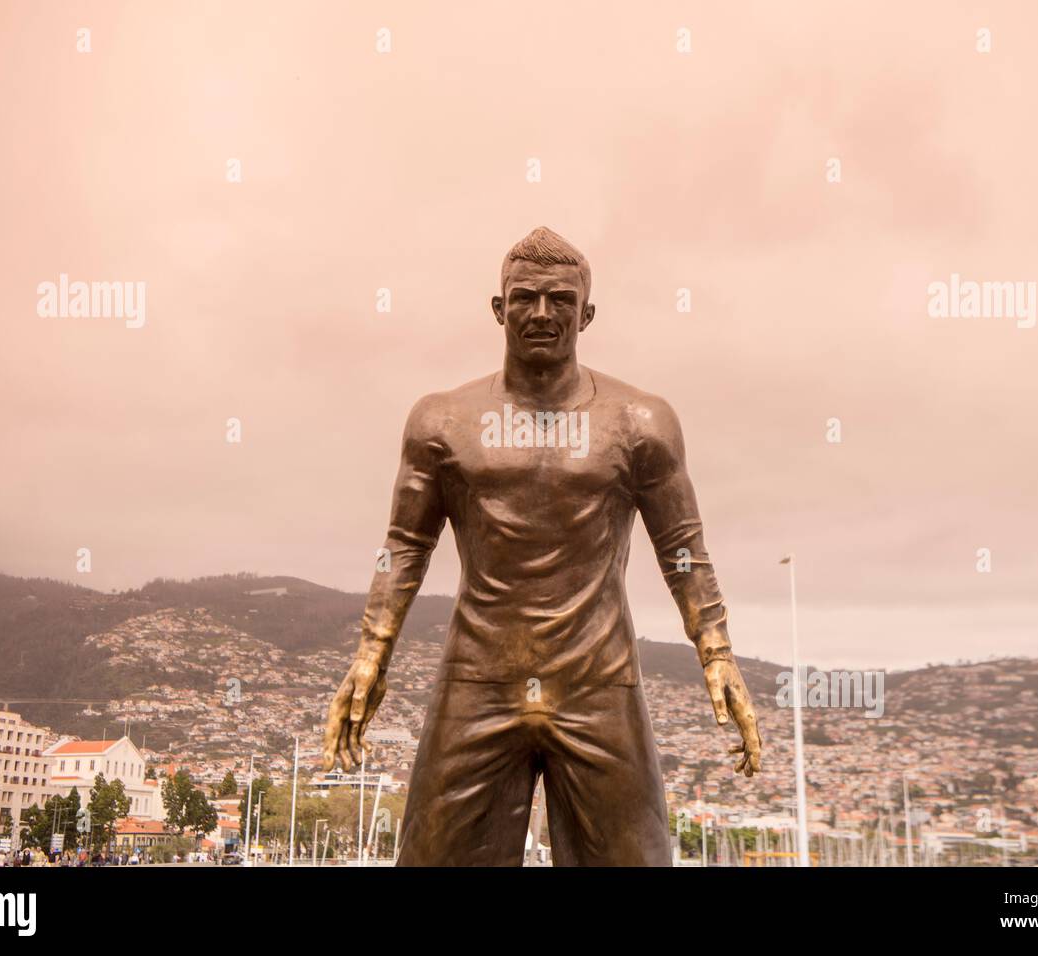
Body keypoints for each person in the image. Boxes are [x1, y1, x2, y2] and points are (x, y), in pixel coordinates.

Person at [323, 227, 763, 866]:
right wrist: (370, 653)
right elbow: (403, 545)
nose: (541, 313)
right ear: (498, 308)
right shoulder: (441, 422)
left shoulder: (640, 422)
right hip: (478, 679)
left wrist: (717, 653)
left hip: (598, 681)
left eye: (560, 300)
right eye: (524, 298)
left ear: (586, 313)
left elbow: (684, 549)